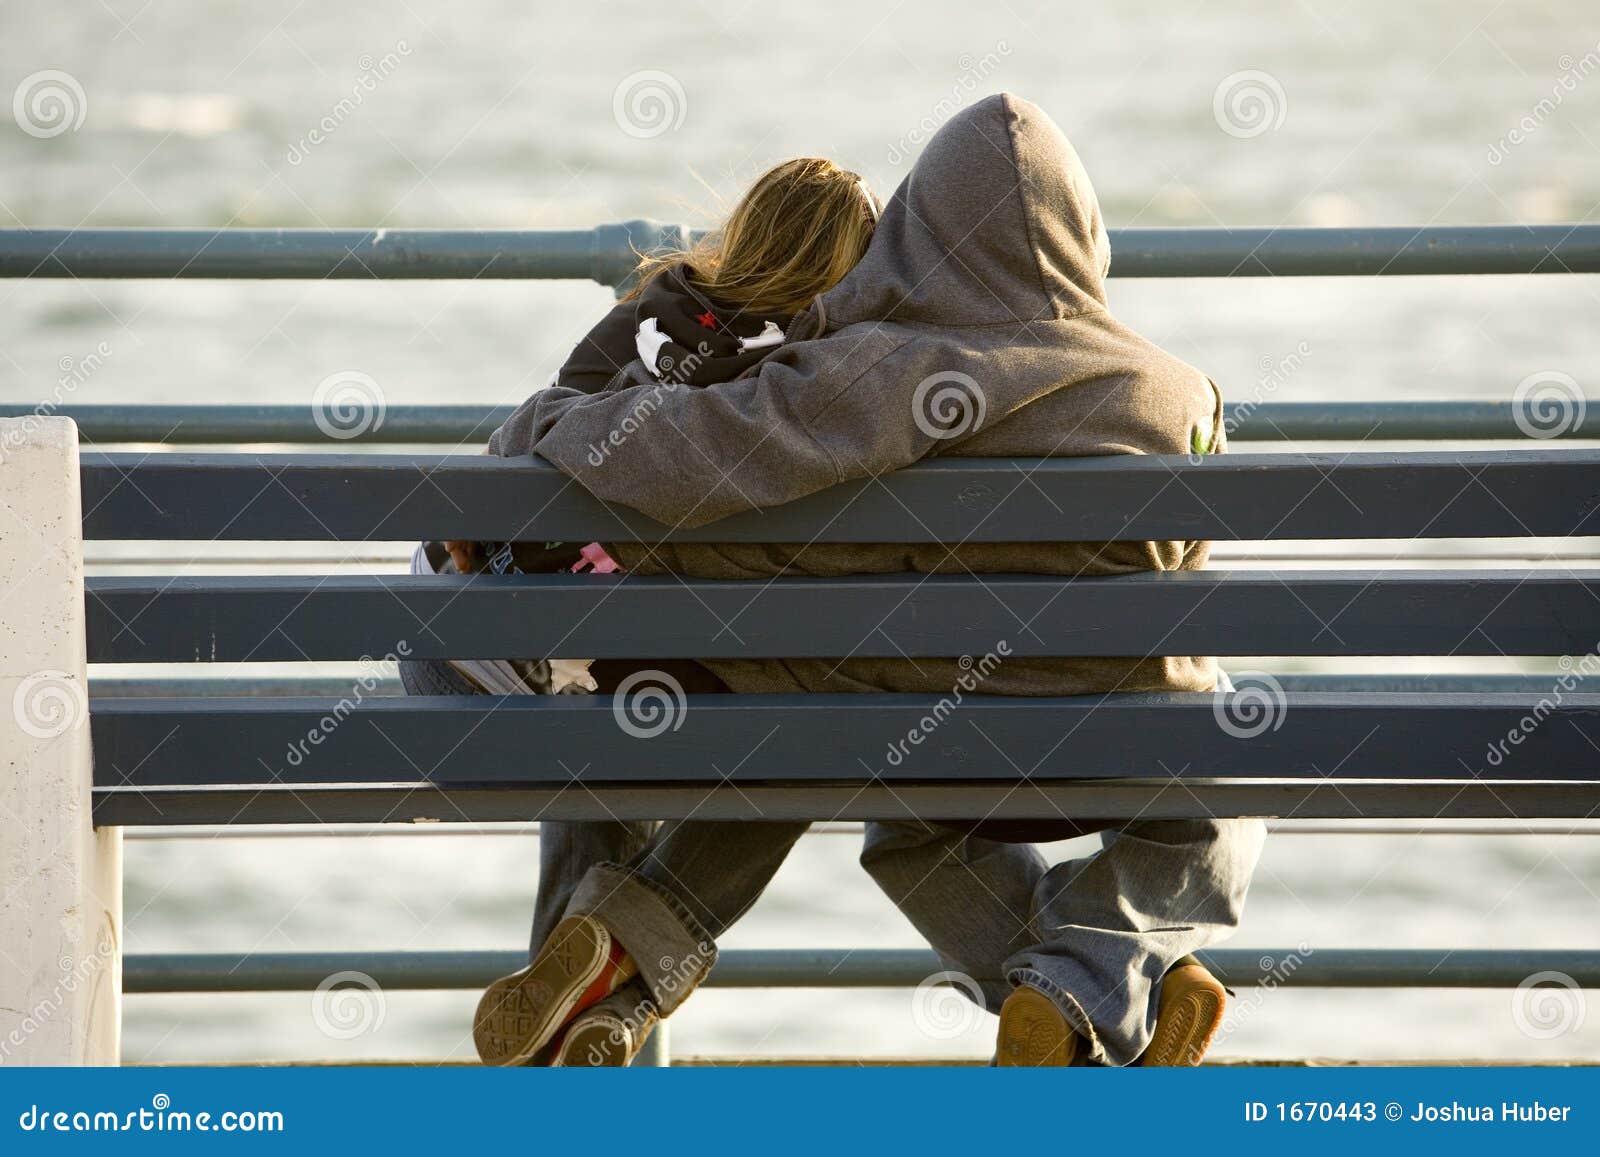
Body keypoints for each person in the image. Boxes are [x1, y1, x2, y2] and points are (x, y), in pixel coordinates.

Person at [477, 92, 1266, 1069]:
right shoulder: (1175, 393)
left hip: (924, 747)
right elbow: (1179, 593)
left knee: (884, 801)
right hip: (1112, 744)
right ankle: (1091, 978)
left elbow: (694, 454)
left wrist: (551, 422)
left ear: (916, 238)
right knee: (1225, 781)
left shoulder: (878, 370)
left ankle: (637, 937)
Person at [399, 156, 883, 1066]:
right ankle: (608, 986)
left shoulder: (655, 302)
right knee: (791, 734)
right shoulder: (810, 375)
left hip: (445, 647)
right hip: (596, 685)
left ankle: (568, 1012)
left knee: (599, 668)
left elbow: (535, 438)